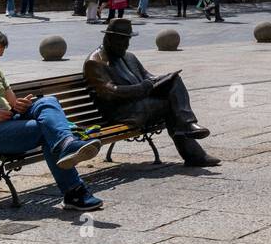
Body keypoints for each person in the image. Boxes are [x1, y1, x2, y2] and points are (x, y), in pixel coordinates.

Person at [0, 29, 103, 211]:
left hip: (8, 124)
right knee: (46, 129)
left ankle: (66, 145)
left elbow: (13, 103)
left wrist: (19, 105)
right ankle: (74, 190)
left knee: (48, 101)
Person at [83, 18, 219, 167]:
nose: (126, 45)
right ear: (109, 38)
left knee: (174, 82)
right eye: (122, 41)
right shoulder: (95, 62)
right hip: (120, 112)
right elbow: (110, 92)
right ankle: (193, 151)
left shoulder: (128, 56)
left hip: (138, 104)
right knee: (171, 106)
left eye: (128, 40)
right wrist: (142, 88)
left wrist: (165, 79)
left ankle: (189, 127)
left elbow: (148, 77)